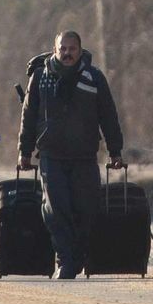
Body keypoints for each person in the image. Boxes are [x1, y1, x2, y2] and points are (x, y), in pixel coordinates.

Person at [15, 28, 124, 279]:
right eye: (62, 49)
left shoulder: (93, 78)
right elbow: (28, 116)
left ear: (80, 50)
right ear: (55, 50)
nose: (67, 53)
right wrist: (24, 151)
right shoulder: (40, 77)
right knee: (56, 207)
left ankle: (79, 256)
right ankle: (66, 260)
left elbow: (108, 116)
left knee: (87, 208)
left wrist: (115, 149)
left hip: (85, 156)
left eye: (71, 49)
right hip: (51, 155)